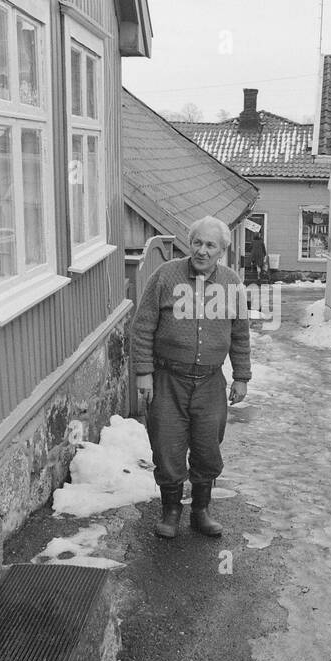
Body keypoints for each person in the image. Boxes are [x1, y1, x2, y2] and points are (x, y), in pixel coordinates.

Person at [132, 217, 251, 538]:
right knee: (167, 444)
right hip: (168, 380)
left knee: (207, 446)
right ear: (189, 244)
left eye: (210, 245)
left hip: (211, 382)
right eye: (197, 242)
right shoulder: (165, 277)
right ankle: (171, 511)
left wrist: (241, 376)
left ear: (222, 250)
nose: (202, 251)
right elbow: (142, 327)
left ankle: (201, 509)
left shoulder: (232, 284)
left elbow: (240, 334)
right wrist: (143, 373)